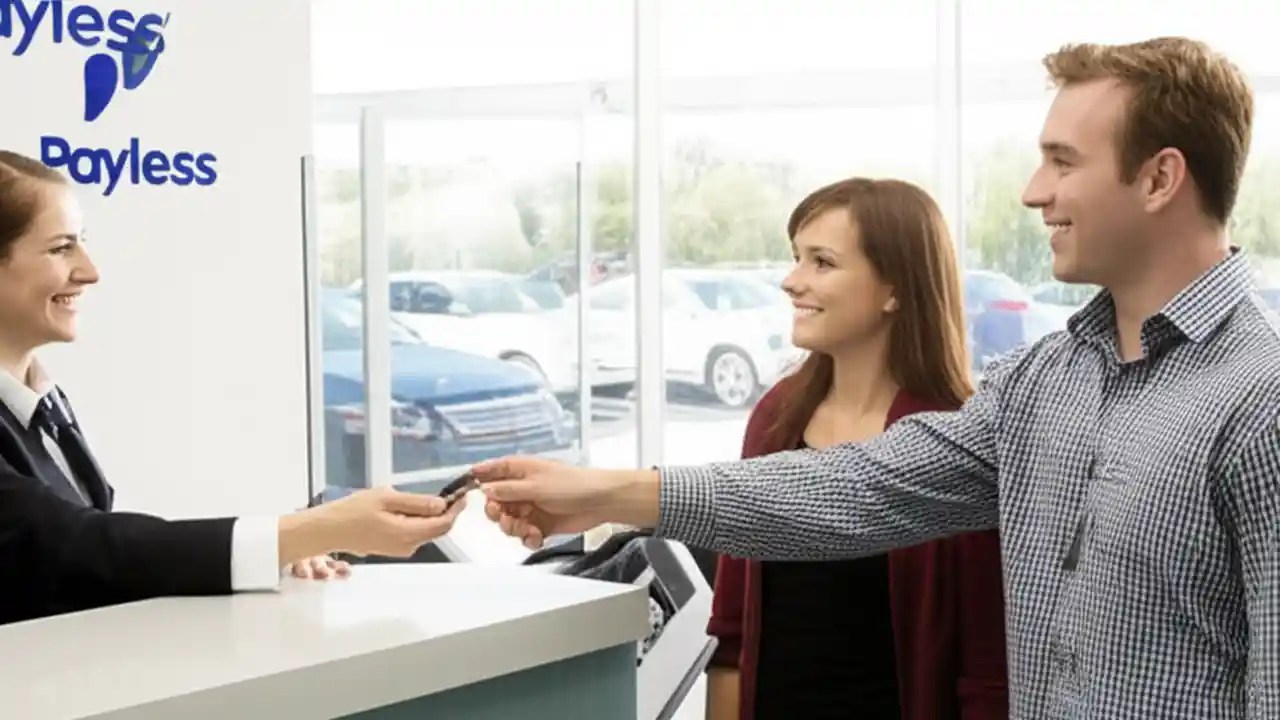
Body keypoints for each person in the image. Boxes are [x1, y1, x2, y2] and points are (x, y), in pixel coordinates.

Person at [475, 36, 1280, 718]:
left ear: (1159, 179)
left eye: (1062, 162)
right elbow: (855, 490)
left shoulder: (1261, 403)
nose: (1035, 192)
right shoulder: (1045, 382)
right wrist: (607, 493)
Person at [0, 150, 465, 626]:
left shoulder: (43, 404)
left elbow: (99, 562)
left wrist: (284, 551)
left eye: (82, 243)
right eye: (61, 248)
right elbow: (77, 548)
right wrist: (308, 531)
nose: (90, 270)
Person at [703, 178, 1007, 720]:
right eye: (796, 258)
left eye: (822, 262)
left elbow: (986, 672)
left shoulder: (960, 439)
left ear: (894, 287)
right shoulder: (775, 417)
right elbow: (730, 634)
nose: (791, 282)